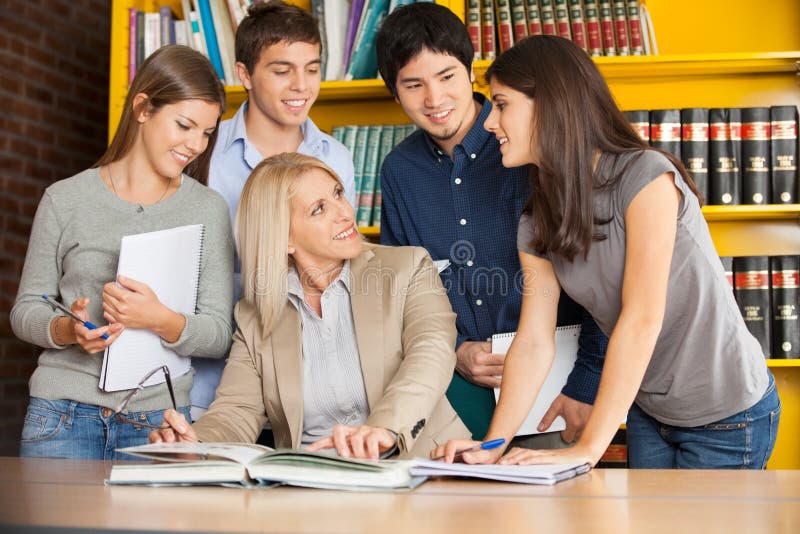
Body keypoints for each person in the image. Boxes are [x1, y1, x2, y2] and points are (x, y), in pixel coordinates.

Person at [434, 35, 781, 469]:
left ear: (550, 104)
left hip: (728, 414)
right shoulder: (537, 216)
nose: (489, 122)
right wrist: (492, 445)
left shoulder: (647, 179)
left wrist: (585, 451)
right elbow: (534, 341)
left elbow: (640, 320)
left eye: (502, 104)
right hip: (649, 411)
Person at [375, 3, 608, 447]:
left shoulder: (530, 146)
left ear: (470, 71)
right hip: (456, 397)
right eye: (413, 85)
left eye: (446, 77)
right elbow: (403, 291)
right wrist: (457, 347)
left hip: (559, 389)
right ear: (395, 92)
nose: (434, 99)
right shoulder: (399, 172)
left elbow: (599, 280)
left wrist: (586, 383)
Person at [151, 153, 470, 459]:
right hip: (313, 483)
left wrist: (382, 430)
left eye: (338, 194)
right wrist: (196, 442)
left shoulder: (408, 267)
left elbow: (431, 351)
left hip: (419, 469)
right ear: (284, 238)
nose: (345, 212)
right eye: (319, 209)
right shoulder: (254, 313)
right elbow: (238, 410)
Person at [10, 45, 234, 460]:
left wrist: (160, 320)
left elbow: (219, 333)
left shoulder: (208, 209)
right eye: (184, 125)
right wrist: (67, 330)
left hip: (159, 423)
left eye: (206, 132)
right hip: (61, 414)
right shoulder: (65, 198)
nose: (196, 145)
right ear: (143, 108)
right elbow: (25, 311)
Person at [191, 0, 357, 420]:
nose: (301, 86)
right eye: (282, 71)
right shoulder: (203, 153)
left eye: (313, 69)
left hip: (309, 392)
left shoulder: (337, 158)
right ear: (244, 74)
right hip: (215, 384)